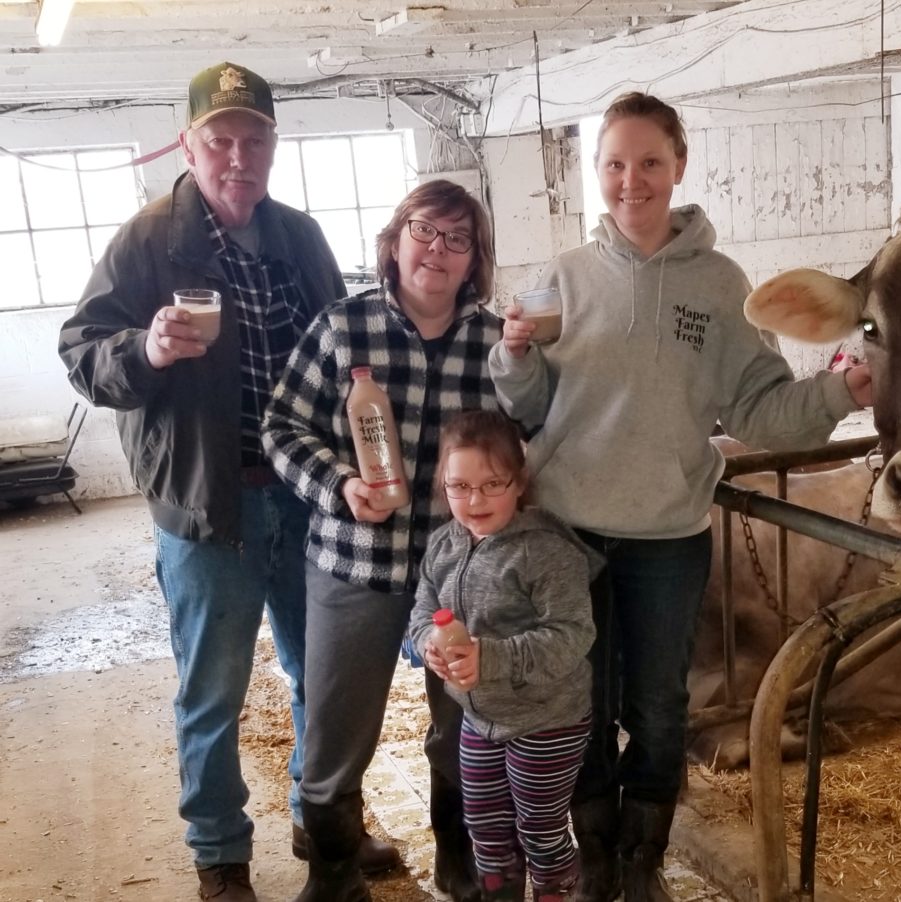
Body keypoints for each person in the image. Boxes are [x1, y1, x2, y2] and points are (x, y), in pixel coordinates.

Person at [488, 92, 872, 902]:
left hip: (666, 534)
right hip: (565, 535)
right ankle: (594, 860)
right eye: (615, 164)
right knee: (580, 702)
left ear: (679, 167)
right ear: (597, 173)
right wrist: (513, 356)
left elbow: (760, 411)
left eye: (650, 162)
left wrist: (843, 393)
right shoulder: (564, 278)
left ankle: (642, 859)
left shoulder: (720, 285)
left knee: (661, 705)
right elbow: (527, 409)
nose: (633, 181)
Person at [58, 62, 349, 902]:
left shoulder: (300, 236)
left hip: (305, 493)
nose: (236, 156)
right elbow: (82, 350)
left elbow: (338, 342)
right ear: (188, 145)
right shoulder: (148, 241)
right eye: (219, 139)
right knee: (214, 690)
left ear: (273, 147)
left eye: (253, 139)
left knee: (319, 675)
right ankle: (221, 855)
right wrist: (143, 351)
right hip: (206, 499)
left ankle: (320, 820)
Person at [262, 179, 501, 901]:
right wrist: (338, 484)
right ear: (394, 243)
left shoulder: (495, 346)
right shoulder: (343, 328)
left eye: (458, 239)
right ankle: (334, 872)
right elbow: (282, 427)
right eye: (424, 231)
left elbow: (527, 444)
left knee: (461, 725)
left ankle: (461, 858)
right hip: (353, 563)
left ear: (474, 260)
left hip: (460, 573)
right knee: (337, 729)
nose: (438, 249)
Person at [409, 410, 602, 902]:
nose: (474, 500)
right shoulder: (443, 545)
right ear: (443, 485)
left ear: (519, 483)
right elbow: (424, 608)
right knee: (485, 826)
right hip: (479, 718)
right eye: (459, 486)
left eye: (492, 484)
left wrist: (488, 659)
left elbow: (573, 633)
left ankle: (558, 890)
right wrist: (426, 642)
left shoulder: (546, 551)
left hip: (548, 719)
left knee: (540, 828)